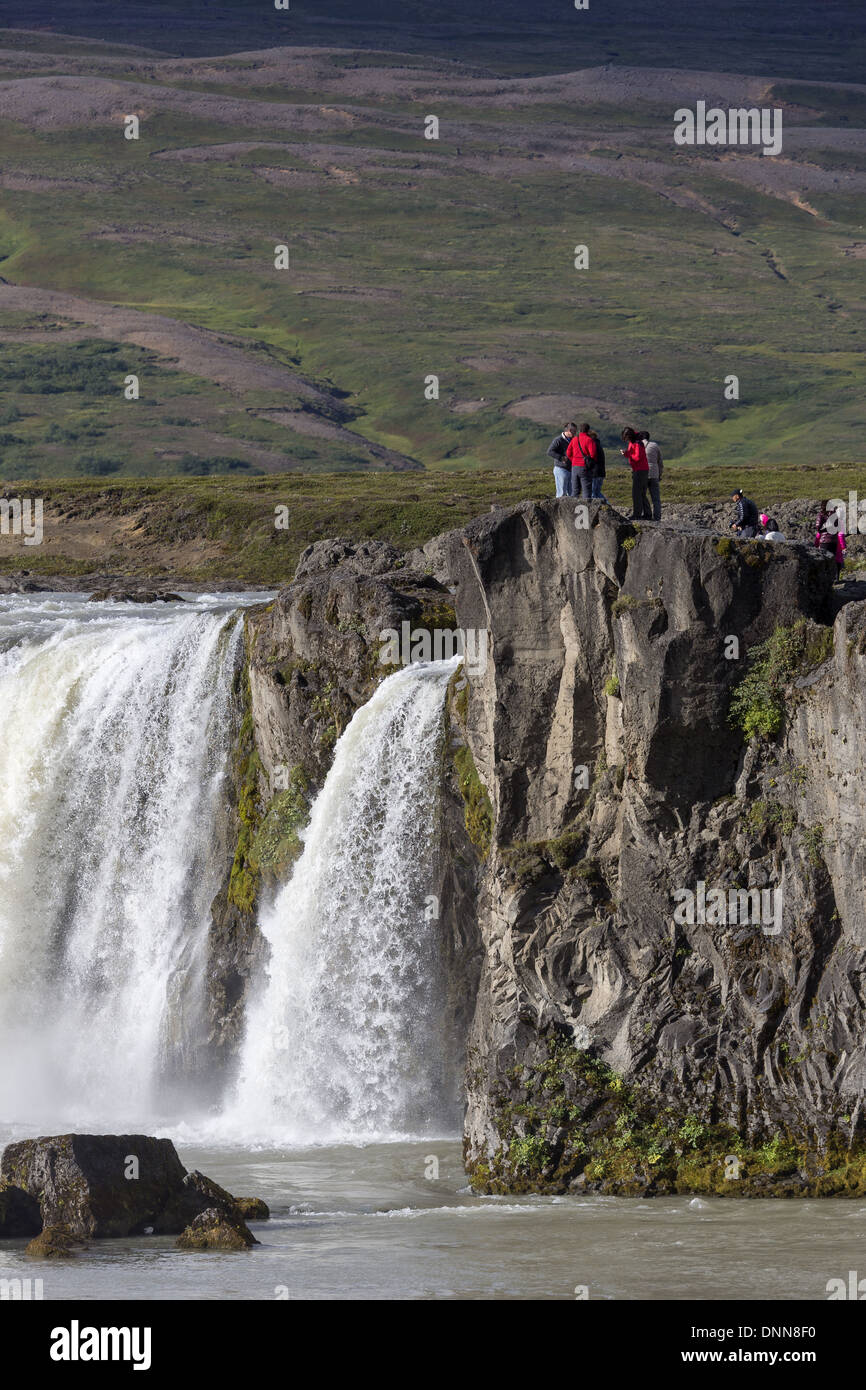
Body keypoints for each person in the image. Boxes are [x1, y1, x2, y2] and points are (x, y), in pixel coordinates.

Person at [620, 427, 649, 521]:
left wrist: (628, 454)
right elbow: (633, 454)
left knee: (636, 493)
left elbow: (637, 457)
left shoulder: (637, 443)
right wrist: (626, 453)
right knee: (641, 493)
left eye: (626, 438)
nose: (626, 440)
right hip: (640, 469)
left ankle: (637, 514)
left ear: (629, 436)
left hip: (640, 470)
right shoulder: (635, 442)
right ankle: (647, 514)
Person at [815, 500, 846, 580]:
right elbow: (840, 529)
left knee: (823, 560)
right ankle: (833, 578)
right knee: (833, 560)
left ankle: (824, 580)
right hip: (834, 541)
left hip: (824, 541)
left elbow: (818, 528)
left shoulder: (821, 514)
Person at [567, 421, 597, 501]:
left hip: (574, 467)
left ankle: (572, 511)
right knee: (586, 492)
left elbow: (568, 453)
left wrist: (573, 460)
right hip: (584, 468)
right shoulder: (589, 440)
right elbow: (593, 455)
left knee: (575, 491)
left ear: (579, 430)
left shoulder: (574, 439)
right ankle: (586, 511)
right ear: (588, 430)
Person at [639, 430, 662, 520]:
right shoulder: (655, 445)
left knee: (642, 495)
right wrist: (659, 474)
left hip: (643, 474)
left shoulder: (638, 446)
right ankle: (657, 517)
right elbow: (660, 462)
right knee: (656, 498)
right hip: (654, 474)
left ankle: (647, 514)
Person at [548, 422, 576, 498]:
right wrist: (561, 458)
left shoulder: (573, 440)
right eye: (574, 431)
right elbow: (550, 451)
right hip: (561, 469)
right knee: (561, 494)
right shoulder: (558, 440)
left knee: (571, 494)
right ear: (569, 430)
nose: (575, 433)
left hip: (571, 470)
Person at [589, 429, 607, 501]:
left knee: (593, 493)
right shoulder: (598, 444)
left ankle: (605, 507)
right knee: (597, 493)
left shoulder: (593, 445)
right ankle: (607, 506)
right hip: (601, 472)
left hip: (594, 472)